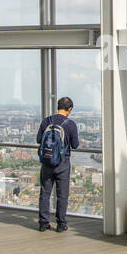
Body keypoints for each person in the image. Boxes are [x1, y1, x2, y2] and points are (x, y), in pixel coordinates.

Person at [36, 96, 79, 232]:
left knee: (45, 193)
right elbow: (75, 145)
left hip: (47, 162)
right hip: (63, 163)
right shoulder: (70, 124)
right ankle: (61, 224)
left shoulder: (46, 121)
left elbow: (38, 140)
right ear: (69, 109)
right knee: (62, 195)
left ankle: (43, 223)